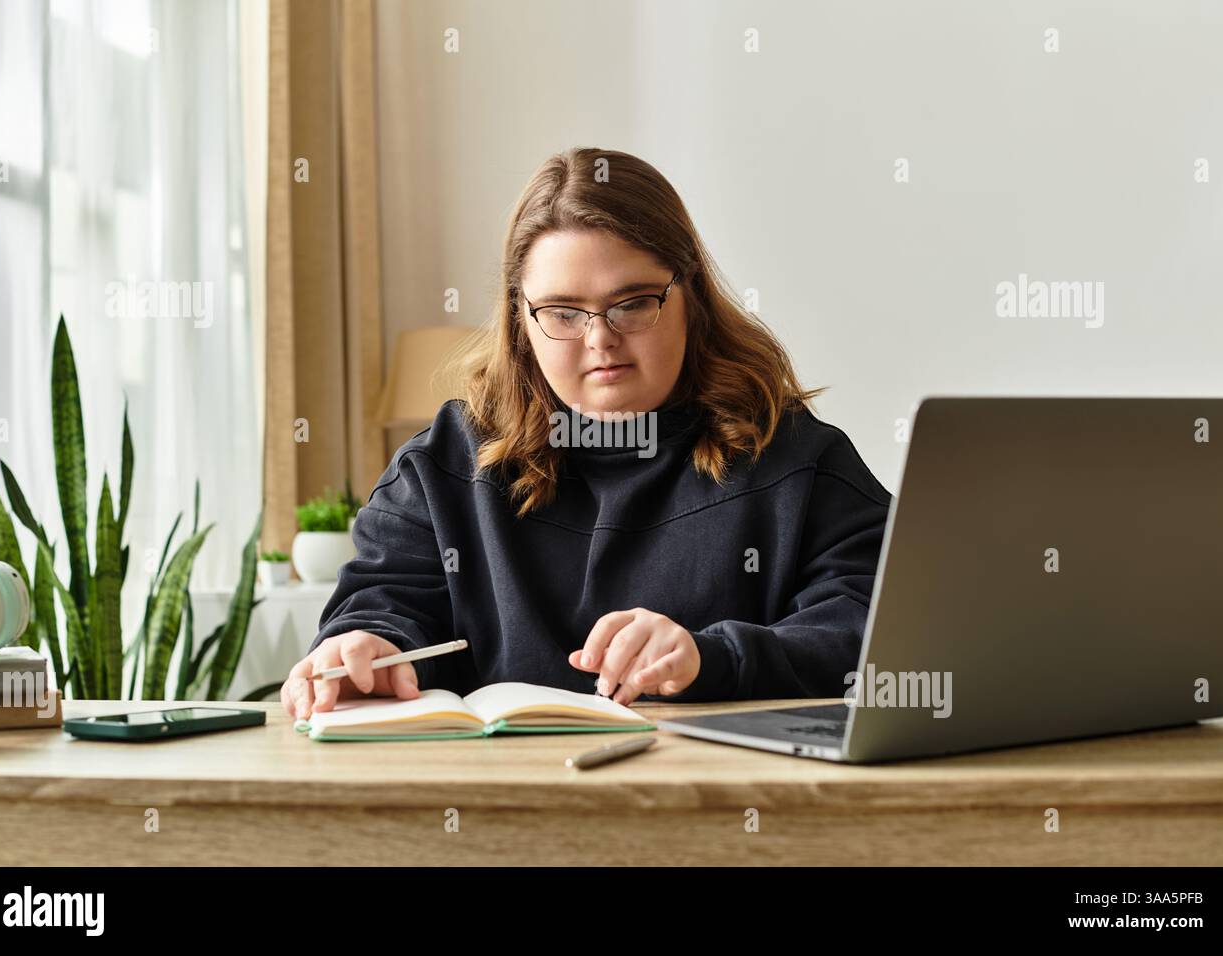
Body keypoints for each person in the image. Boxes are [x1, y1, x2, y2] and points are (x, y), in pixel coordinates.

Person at [281, 147, 892, 722]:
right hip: (491, 809)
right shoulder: (443, 464)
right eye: (563, 312)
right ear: (521, 318)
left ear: (691, 297)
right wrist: (361, 646)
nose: (600, 339)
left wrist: (713, 659)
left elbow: (883, 626)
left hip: (719, 806)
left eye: (631, 303)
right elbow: (384, 602)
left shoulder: (793, 456)